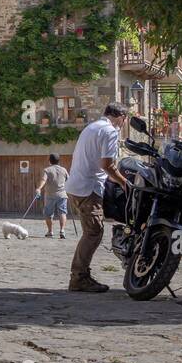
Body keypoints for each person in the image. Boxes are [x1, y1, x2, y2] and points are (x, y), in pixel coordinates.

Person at [64, 103, 128, 293]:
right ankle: (79, 277)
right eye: (125, 120)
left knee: (91, 231)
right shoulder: (110, 131)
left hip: (76, 185)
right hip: (88, 187)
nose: (124, 124)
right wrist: (125, 183)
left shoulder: (91, 127)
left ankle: (79, 275)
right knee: (94, 232)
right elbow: (107, 165)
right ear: (121, 117)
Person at [35, 153, 70, 238]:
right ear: (59, 161)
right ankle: (62, 231)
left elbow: (44, 179)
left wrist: (39, 188)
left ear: (49, 161)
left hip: (50, 195)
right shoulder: (64, 170)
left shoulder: (47, 170)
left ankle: (50, 231)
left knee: (48, 214)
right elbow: (68, 181)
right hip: (62, 194)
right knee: (62, 212)